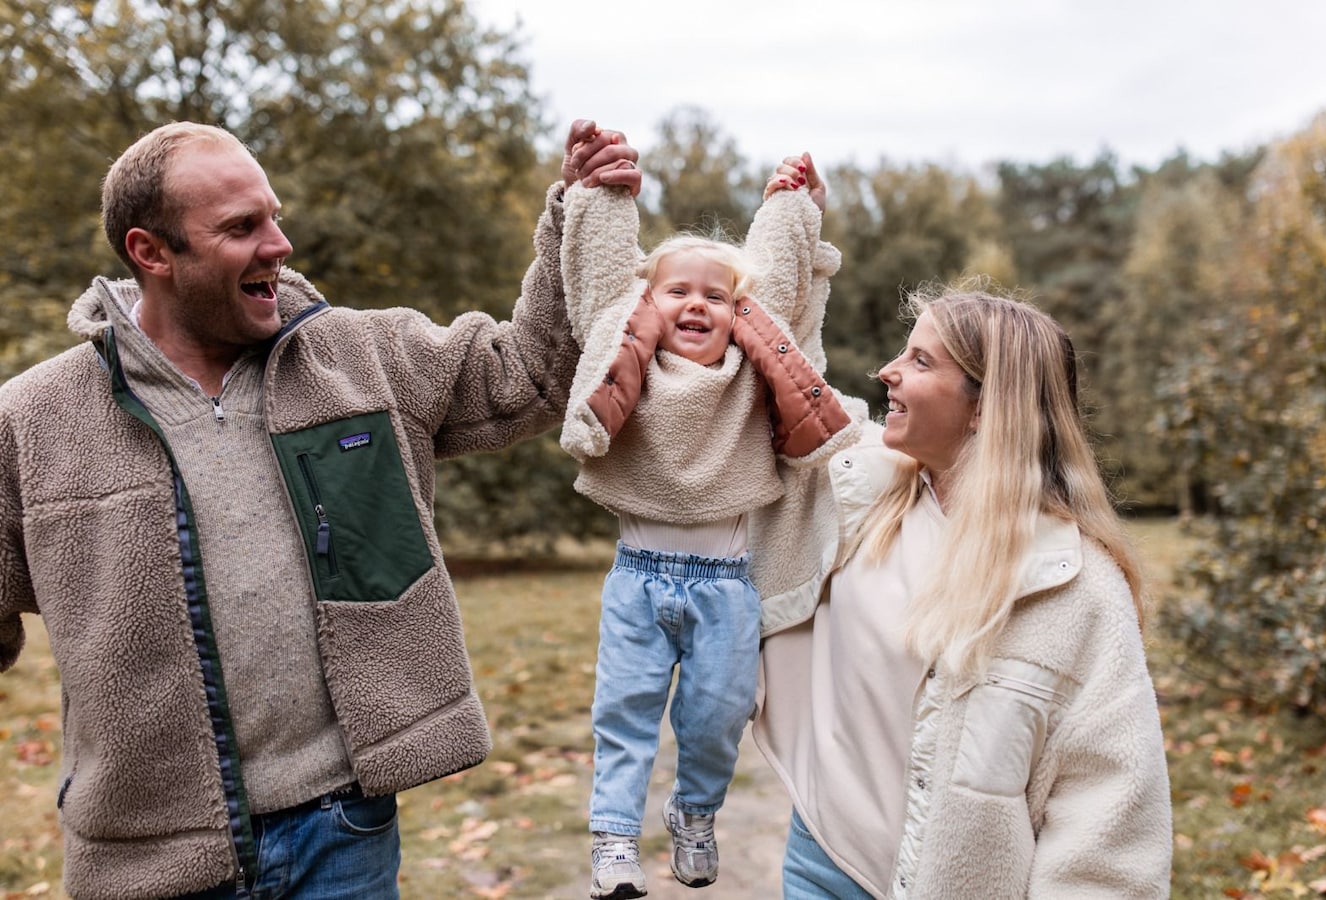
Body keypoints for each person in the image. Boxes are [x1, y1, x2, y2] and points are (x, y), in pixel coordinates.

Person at [0, 118, 638, 899]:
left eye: (274, 214)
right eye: (242, 227)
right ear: (151, 252)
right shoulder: (32, 421)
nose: (280, 244)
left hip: (344, 830)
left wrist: (575, 216)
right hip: (147, 861)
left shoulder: (361, 357)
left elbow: (531, 373)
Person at [750, 285, 1174, 898]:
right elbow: (766, 369)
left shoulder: (1077, 587)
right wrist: (798, 225)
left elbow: (1109, 821)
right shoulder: (853, 492)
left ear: (986, 406)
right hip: (823, 859)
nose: (887, 372)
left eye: (921, 361)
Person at [559, 154, 863, 899]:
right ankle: (615, 842)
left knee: (716, 718)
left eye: (717, 297)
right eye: (677, 291)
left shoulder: (752, 380)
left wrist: (793, 211)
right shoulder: (620, 368)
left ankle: (695, 812)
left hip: (726, 588)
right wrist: (599, 196)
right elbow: (599, 284)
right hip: (637, 579)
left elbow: (787, 298)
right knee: (623, 712)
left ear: (741, 314)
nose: (697, 305)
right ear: (645, 305)